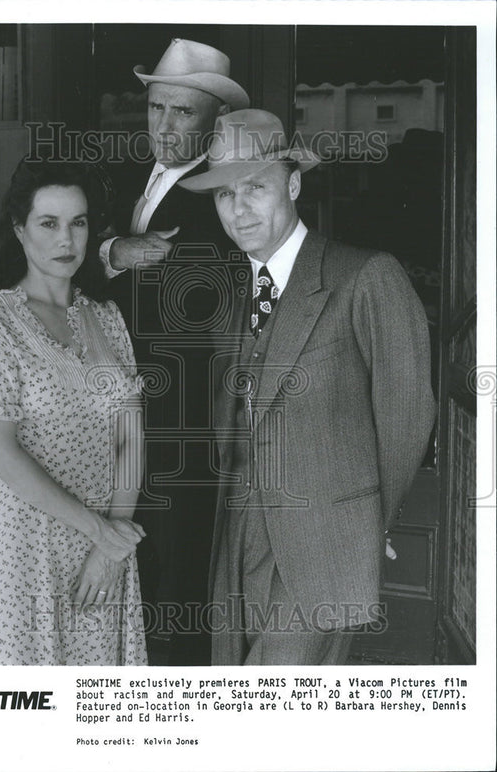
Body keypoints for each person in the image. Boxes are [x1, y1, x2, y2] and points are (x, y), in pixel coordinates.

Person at [180, 110, 436, 665]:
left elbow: (408, 414)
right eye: (224, 194)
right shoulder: (231, 296)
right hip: (236, 536)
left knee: (278, 716)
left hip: (323, 542)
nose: (239, 208)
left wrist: (370, 521)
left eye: (256, 188)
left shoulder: (366, 276)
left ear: (293, 184)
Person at [0, 159, 147, 665]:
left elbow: (130, 439)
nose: (67, 239)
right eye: (48, 223)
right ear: (19, 230)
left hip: (105, 547)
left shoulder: (107, 318)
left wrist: (109, 545)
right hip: (29, 545)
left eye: (78, 222)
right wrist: (99, 531)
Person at [101, 39, 250, 664]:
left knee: (174, 561)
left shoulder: (217, 197)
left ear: (213, 120)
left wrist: (113, 256)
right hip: (123, 408)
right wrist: (115, 249)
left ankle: (175, 700)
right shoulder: (137, 177)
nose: (164, 125)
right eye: (157, 108)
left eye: (181, 113)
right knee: (131, 553)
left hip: (175, 414)